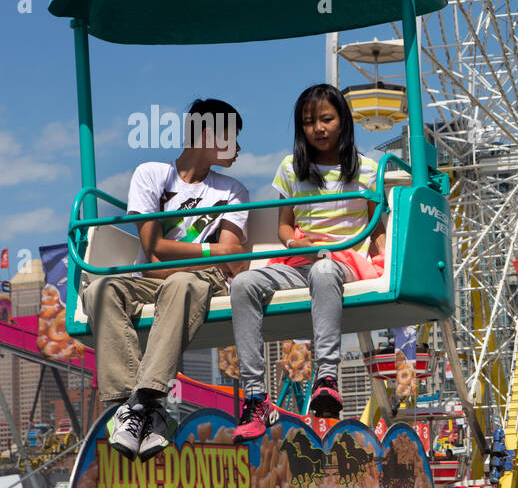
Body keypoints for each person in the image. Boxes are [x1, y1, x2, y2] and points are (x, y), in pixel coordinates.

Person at [84, 98, 249, 459]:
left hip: (199, 282)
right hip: (151, 279)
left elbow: (233, 258)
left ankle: (141, 400)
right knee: (100, 288)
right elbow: (152, 249)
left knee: (182, 283)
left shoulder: (233, 191)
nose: (238, 148)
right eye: (232, 137)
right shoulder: (151, 174)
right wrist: (209, 252)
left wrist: (183, 256)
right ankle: (143, 408)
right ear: (208, 134)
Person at [231, 84, 384, 437]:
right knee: (243, 284)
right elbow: (284, 226)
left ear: (343, 121)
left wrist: (384, 259)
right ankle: (256, 398)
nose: (318, 128)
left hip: (343, 262)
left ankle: (326, 377)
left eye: (327, 119)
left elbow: (376, 228)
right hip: (299, 262)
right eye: (308, 122)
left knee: (326, 268)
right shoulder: (290, 168)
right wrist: (297, 240)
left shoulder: (366, 169)